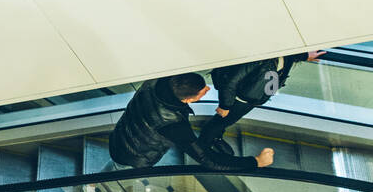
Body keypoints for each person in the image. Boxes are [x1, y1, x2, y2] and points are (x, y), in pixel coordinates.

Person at [110, 73, 274, 172]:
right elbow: (208, 160)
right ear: (188, 99)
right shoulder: (173, 124)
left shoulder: (154, 82)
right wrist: (256, 161)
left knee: (115, 164)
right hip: (134, 159)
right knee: (120, 170)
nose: (208, 90)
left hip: (120, 136)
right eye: (202, 92)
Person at [198, 51, 326, 146]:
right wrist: (225, 106)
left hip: (254, 97)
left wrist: (305, 56)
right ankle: (205, 142)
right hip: (239, 99)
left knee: (229, 120)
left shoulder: (285, 53)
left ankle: (216, 136)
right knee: (222, 121)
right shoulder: (259, 58)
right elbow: (231, 82)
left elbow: (290, 57)